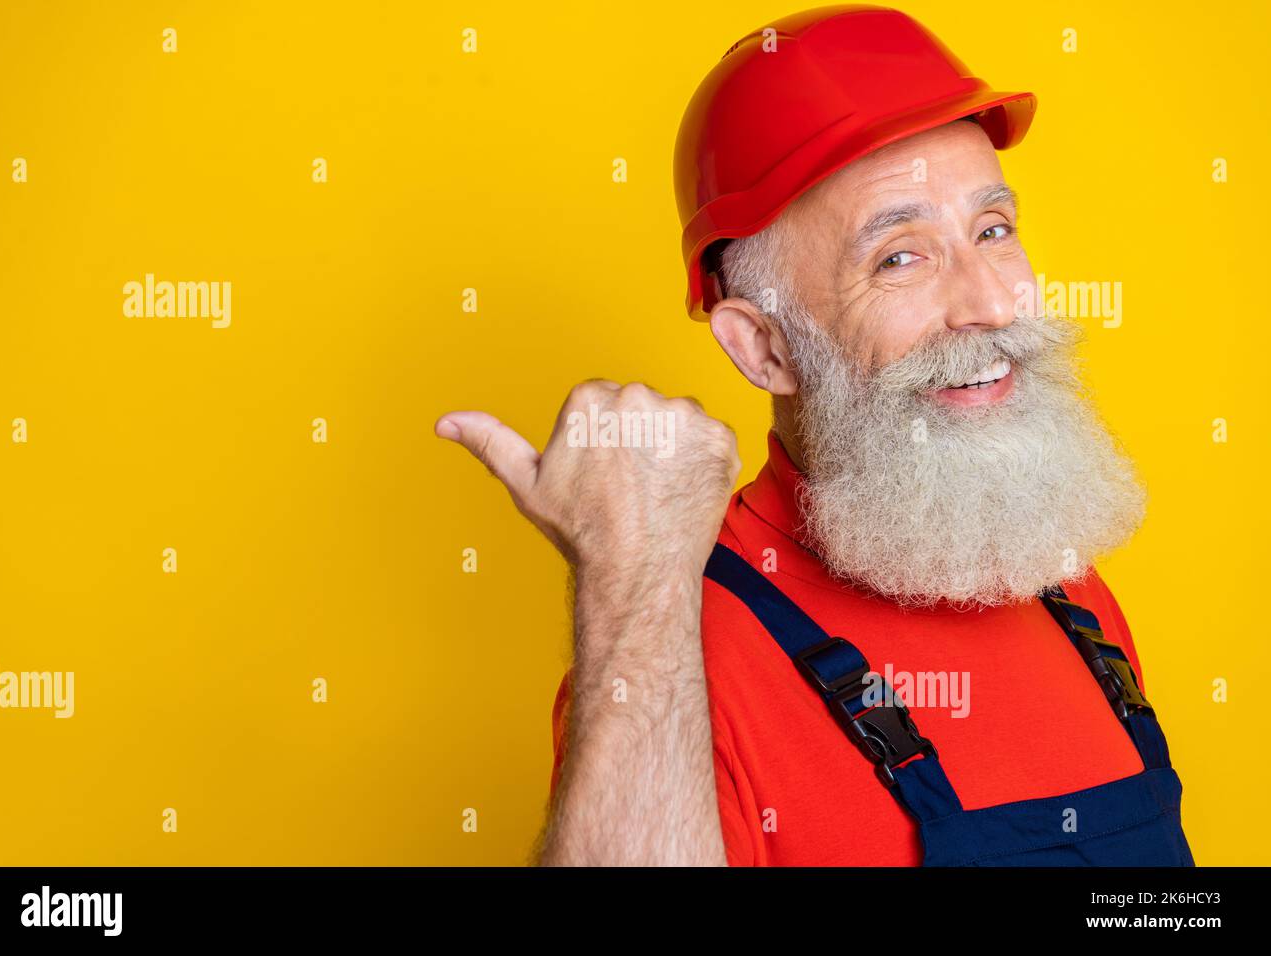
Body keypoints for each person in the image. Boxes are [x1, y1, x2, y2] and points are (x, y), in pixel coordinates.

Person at [435, 5, 1194, 866]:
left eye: (994, 231)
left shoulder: (1072, 599)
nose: (990, 302)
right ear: (762, 347)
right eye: (898, 257)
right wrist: (629, 589)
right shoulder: (670, 665)